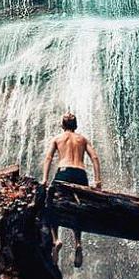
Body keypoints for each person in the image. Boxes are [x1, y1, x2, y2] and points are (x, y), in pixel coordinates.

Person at [41, 112, 102, 268]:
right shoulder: (82, 139)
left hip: (64, 171)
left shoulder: (57, 139)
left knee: (50, 203)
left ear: (62, 125)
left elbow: (48, 158)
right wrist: (97, 181)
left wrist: (45, 179)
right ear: (76, 125)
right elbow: (94, 157)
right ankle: (78, 243)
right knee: (77, 208)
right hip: (80, 173)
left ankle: (56, 239)